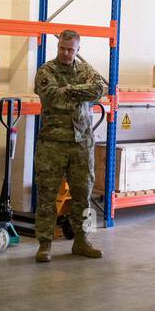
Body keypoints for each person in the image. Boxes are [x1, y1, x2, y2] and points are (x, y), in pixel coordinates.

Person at [33, 29, 108, 263]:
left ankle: (82, 241)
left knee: (84, 195)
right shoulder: (46, 71)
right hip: (53, 143)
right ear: (58, 48)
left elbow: (100, 89)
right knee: (47, 195)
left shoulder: (85, 70)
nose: (66, 53)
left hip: (82, 142)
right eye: (62, 49)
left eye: (70, 50)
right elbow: (51, 96)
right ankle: (45, 244)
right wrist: (80, 93)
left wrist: (70, 91)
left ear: (78, 50)